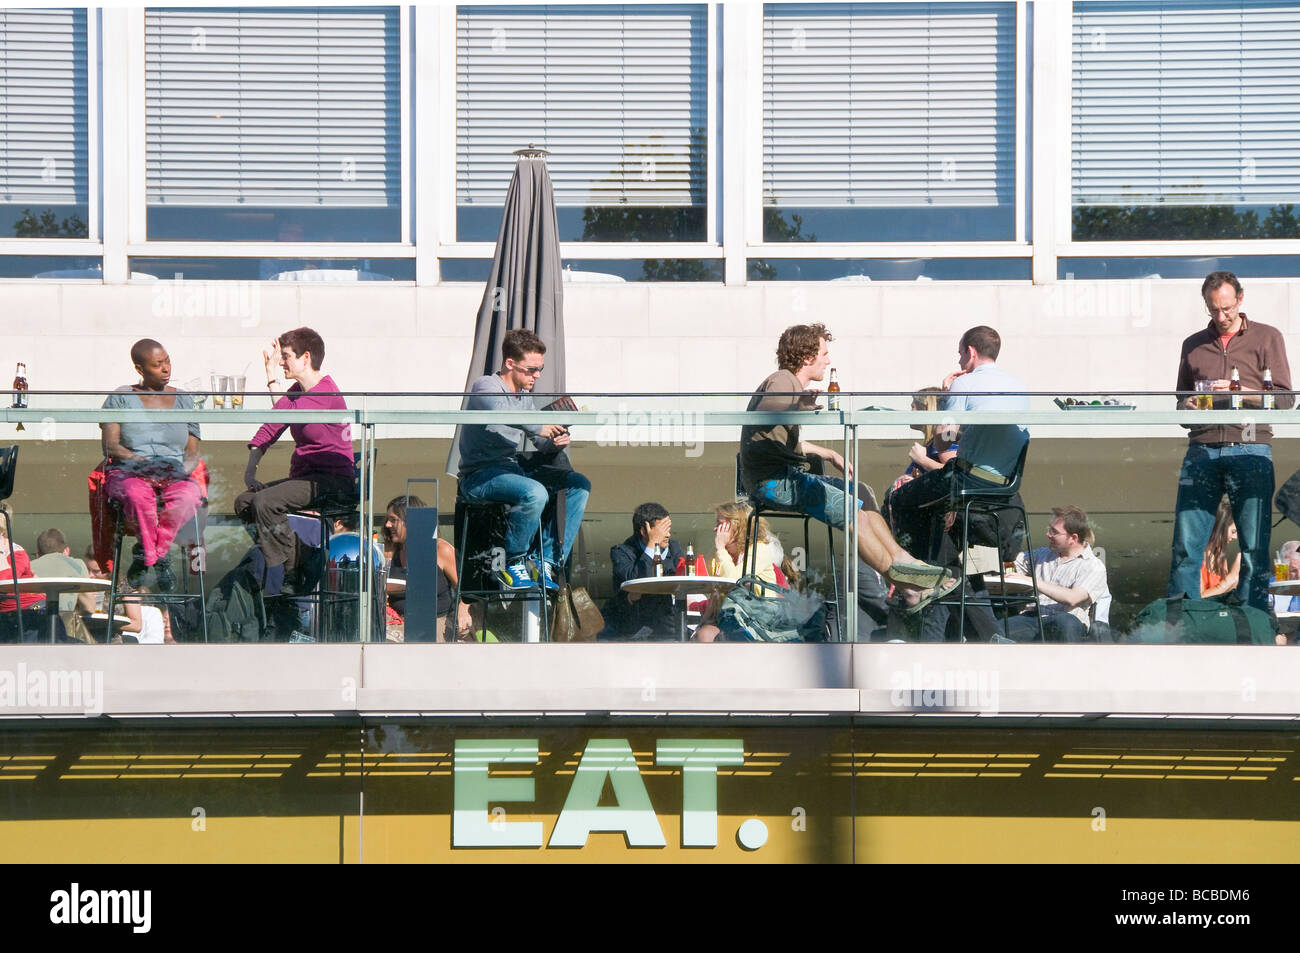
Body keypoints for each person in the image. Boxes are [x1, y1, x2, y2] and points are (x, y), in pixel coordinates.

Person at [738, 323, 955, 611]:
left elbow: (779, 439)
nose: (828, 360)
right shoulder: (783, 380)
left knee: (861, 494)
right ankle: (908, 587)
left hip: (783, 476)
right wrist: (803, 407)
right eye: (824, 353)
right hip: (775, 482)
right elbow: (768, 414)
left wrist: (828, 453)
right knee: (852, 511)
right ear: (807, 357)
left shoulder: (789, 386)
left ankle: (904, 559)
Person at [1169, 271, 1293, 613]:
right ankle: (1182, 621)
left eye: (1226, 308)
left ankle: (1252, 619)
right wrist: (1188, 404)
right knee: (1186, 544)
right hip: (1202, 448)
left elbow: (1285, 400)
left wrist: (1242, 393)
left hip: (1251, 446)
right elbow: (1180, 405)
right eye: (1213, 310)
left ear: (1240, 299)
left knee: (1254, 544)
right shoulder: (1192, 344)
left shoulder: (1268, 337)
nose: (1221, 317)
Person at [456, 328, 591, 591]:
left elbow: (539, 441)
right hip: (479, 476)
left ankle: (545, 561)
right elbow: (498, 411)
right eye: (531, 369)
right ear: (510, 363)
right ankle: (514, 560)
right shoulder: (485, 385)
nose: (537, 376)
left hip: (511, 470)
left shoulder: (524, 397)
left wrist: (554, 440)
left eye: (539, 369)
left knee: (579, 484)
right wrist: (537, 426)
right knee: (535, 493)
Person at [887, 326, 1030, 563]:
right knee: (936, 506)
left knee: (899, 497)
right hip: (1005, 484)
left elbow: (944, 443)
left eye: (961, 353)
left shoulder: (965, 384)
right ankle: (947, 574)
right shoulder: (1019, 386)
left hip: (968, 479)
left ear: (971, 352)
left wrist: (948, 396)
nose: (960, 360)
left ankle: (918, 571)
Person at [236, 328, 354, 594]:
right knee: (245, 502)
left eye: (286, 356)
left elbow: (284, 414)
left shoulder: (326, 394)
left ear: (306, 357)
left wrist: (271, 380)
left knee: (266, 502)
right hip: (305, 478)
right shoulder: (299, 392)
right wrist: (250, 471)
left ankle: (285, 570)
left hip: (332, 482)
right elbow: (273, 425)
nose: (281, 362)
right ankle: (297, 555)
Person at [100, 338, 202, 590]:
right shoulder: (121, 397)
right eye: (157, 365)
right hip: (129, 471)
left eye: (167, 361)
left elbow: (192, 452)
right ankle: (155, 557)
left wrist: (181, 472)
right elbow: (110, 447)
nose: (166, 368)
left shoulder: (185, 400)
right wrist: (139, 461)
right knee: (138, 494)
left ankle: (148, 556)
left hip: (171, 473)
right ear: (139, 369)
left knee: (189, 495)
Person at [1001, 505, 1110, 643]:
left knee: (1066, 623)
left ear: (1073, 538)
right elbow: (1009, 561)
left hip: (1067, 620)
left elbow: (1073, 598)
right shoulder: (1041, 554)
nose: (1048, 534)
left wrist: (1031, 581)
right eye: (1049, 529)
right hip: (1033, 618)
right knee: (995, 628)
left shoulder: (1093, 566)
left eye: (1054, 531)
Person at [383, 495, 471, 642]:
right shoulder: (389, 551)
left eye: (393, 520)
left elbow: (466, 587)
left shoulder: (440, 550)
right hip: (398, 621)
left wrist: (463, 609)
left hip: (435, 622)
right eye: (387, 520)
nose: (387, 525)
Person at [603, 502, 685, 639]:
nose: (668, 535)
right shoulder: (622, 552)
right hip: (632, 629)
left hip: (667, 626)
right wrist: (652, 545)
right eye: (663, 529)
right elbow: (635, 580)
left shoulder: (673, 548)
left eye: (669, 529)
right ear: (644, 530)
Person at [30, 528, 97, 643]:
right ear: (66, 550)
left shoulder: (29, 566)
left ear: (38, 554)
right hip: (65, 633)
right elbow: (89, 608)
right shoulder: (78, 565)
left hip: (33, 631)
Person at [0, 504, 55, 643]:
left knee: (37, 611)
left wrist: (1, 555)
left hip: (32, 607)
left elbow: (6, 583)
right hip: (10, 613)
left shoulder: (15, 552)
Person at [1200, 498, 1241, 601]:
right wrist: (1231, 578)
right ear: (1220, 526)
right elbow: (1198, 598)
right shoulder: (1196, 555)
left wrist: (1236, 579)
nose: (1235, 537)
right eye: (1233, 531)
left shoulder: (1219, 553)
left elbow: (1225, 593)